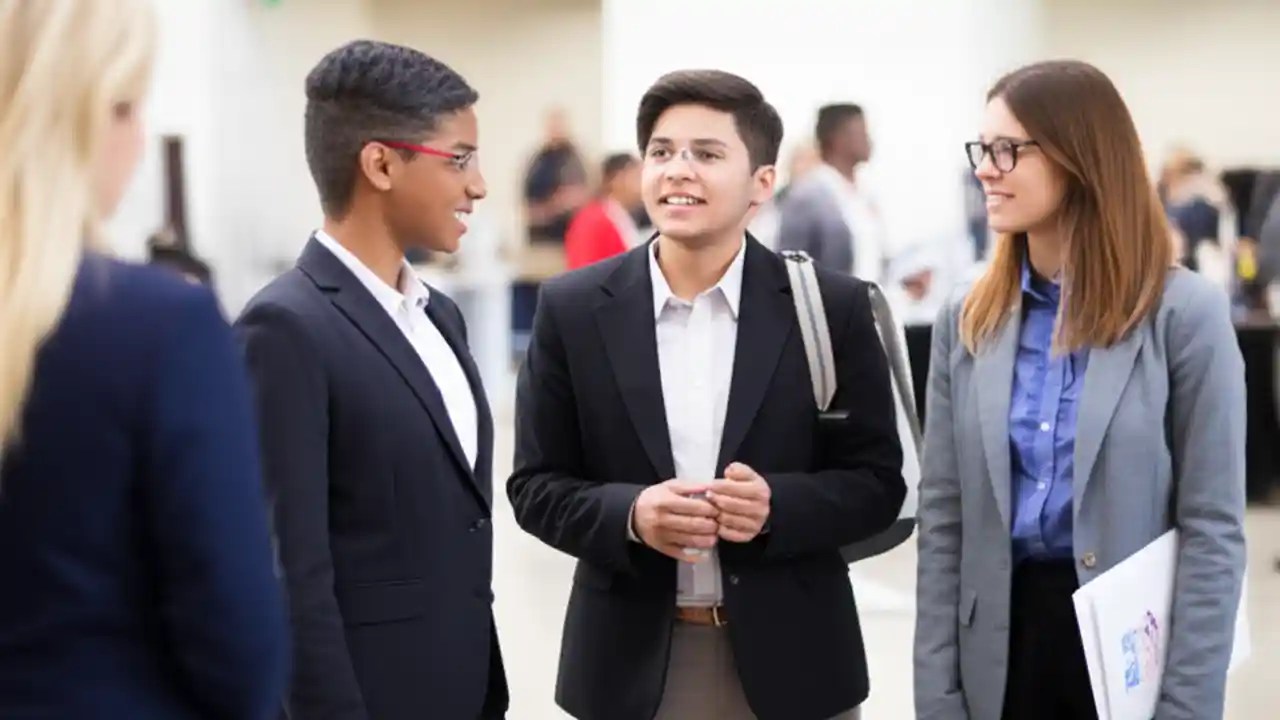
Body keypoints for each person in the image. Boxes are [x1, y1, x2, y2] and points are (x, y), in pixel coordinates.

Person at [508, 69, 905, 720]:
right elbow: (535, 486)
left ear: (762, 184)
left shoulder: (830, 308)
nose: (677, 170)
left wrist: (778, 505)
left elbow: (877, 483)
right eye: (661, 152)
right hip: (634, 663)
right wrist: (633, 515)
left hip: (797, 660)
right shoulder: (575, 310)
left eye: (708, 153)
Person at [914, 60, 1247, 720]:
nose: (986, 167)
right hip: (1000, 650)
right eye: (983, 148)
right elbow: (945, 522)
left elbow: (1213, 533)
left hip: (1127, 654)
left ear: (1081, 156)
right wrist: (938, 696)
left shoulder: (1182, 315)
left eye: (1008, 150)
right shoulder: (968, 318)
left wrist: (1185, 705)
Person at [0, 1, 289, 718]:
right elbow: (242, 653)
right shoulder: (158, 327)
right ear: (79, 114)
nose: (137, 136)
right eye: (128, 106)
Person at [235, 40, 507, 720]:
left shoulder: (438, 316)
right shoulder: (284, 327)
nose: (479, 185)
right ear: (381, 163)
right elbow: (289, 574)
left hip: (464, 690)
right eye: (460, 159)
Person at [778, 103, 887, 283]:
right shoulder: (808, 195)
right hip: (830, 307)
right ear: (837, 139)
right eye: (861, 133)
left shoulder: (863, 196)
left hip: (868, 306)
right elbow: (788, 267)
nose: (868, 140)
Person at [564, 153, 642, 269]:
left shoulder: (620, 216)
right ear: (617, 179)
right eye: (636, 177)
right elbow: (584, 270)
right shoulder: (593, 221)